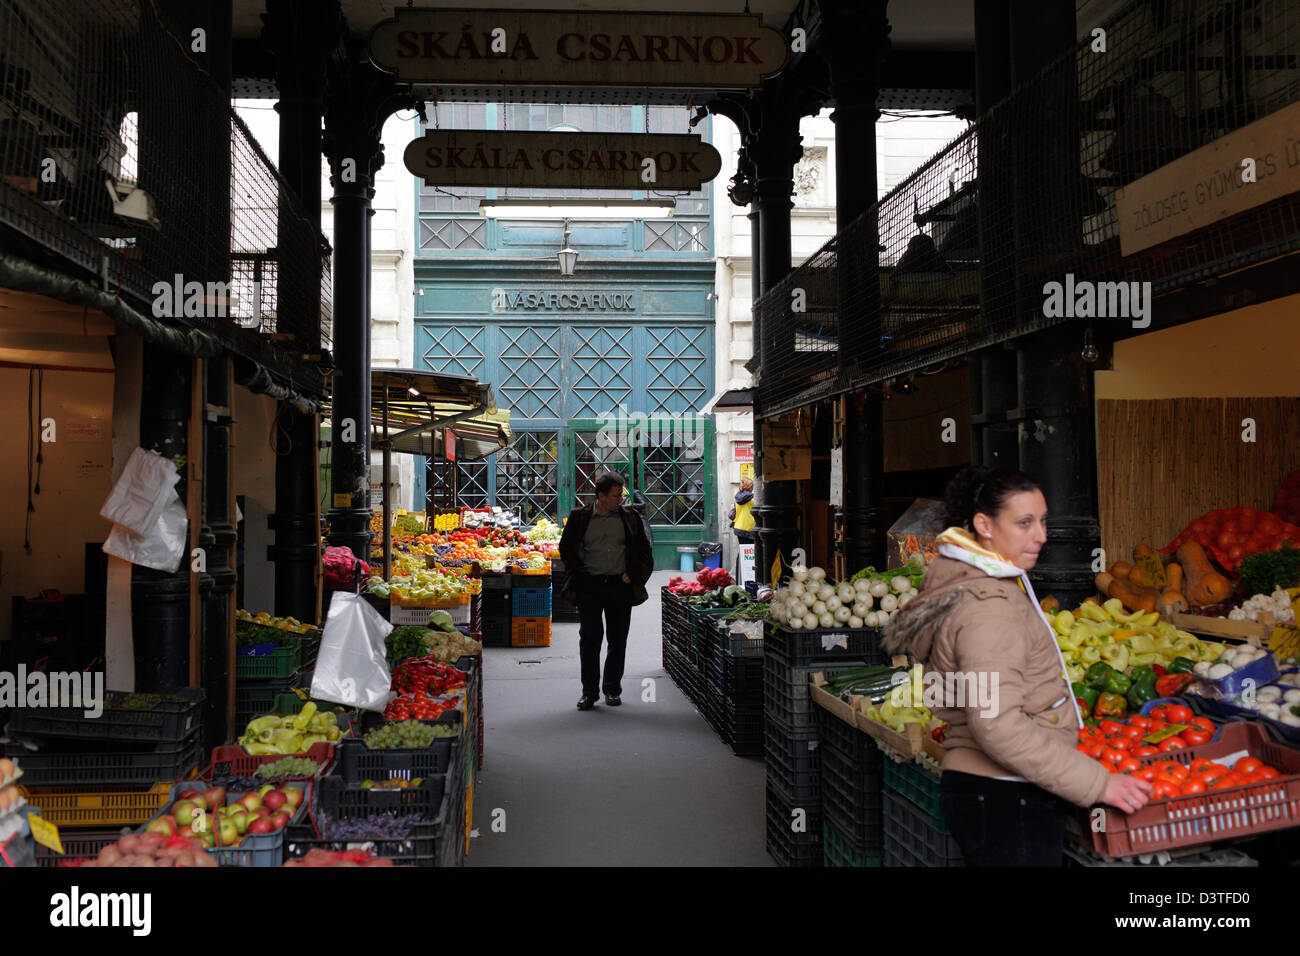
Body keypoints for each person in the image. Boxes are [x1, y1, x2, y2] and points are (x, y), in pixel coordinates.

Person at [882, 465, 1152, 866]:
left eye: (1043, 521)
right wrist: (1097, 783)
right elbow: (995, 723)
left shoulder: (964, 587)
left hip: (986, 789)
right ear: (984, 525)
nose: (1041, 535)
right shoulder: (989, 609)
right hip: (1005, 796)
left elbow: (950, 694)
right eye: (1025, 523)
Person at [558, 472, 655, 711]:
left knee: (617, 639)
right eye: (615, 495)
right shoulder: (580, 517)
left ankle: (612, 689)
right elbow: (566, 548)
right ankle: (589, 693)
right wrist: (578, 574)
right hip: (589, 586)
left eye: (621, 495)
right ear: (600, 496)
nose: (620, 499)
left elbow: (645, 550)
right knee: (589, 639)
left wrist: (634, 575)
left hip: (619, 586)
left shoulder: (629, 517)